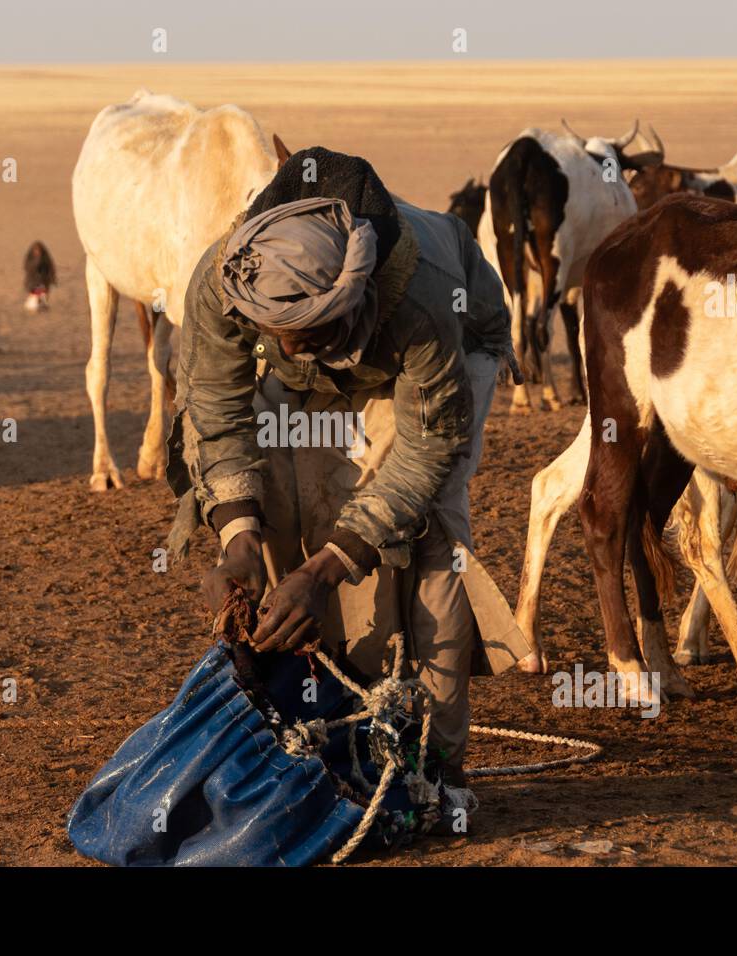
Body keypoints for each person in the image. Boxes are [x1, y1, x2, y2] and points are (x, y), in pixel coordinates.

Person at [166, 147, 534, 789]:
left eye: (303, 334)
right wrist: (239, 543)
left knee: (427, 541)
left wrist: (323, 569)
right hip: (332, 360)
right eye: (275, 334)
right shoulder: (228, 281)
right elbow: (218, 414)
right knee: (275, 501)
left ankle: (436, 766)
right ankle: (325, 719)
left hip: (451, 349)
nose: (285, 345)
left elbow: (424, 456)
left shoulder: (421, 301)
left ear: (349, 301)